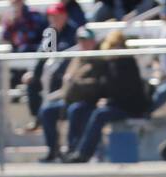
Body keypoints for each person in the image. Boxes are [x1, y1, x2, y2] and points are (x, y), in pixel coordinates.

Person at [64, 30, 151, 162]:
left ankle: (84, 154)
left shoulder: (127, 62)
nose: (115, 49)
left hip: (131, 108)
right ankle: (73, 149)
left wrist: (108, 101)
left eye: (117, 45)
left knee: (100, 114)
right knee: (79, 109)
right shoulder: (110, 64)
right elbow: (104, 88)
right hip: (116, 104)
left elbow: (125, 93)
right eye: (113, 45)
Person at [38, 25, 101, 160]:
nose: (84, 43)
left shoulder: (98, 58)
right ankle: (53, 150)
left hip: (87, 101)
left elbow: (97, 84)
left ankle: (73, 150)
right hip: (68, 99)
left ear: (93, 41)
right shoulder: (76, 58)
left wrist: (76, 84)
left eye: (87, 40)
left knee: (76, 110)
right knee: (47, 111)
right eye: (81, 40)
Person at [26, 4, 78, 123]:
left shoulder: (73, 31)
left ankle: (47, 117)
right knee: (32, 83)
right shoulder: (50, 33)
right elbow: (42, 56)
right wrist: (33, 73)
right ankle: (38, 119)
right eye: (51, 16)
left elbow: (69, 57)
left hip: (66, 73)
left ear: (65, 16)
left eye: (57, 15)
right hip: (49, 73)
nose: (54, 19)